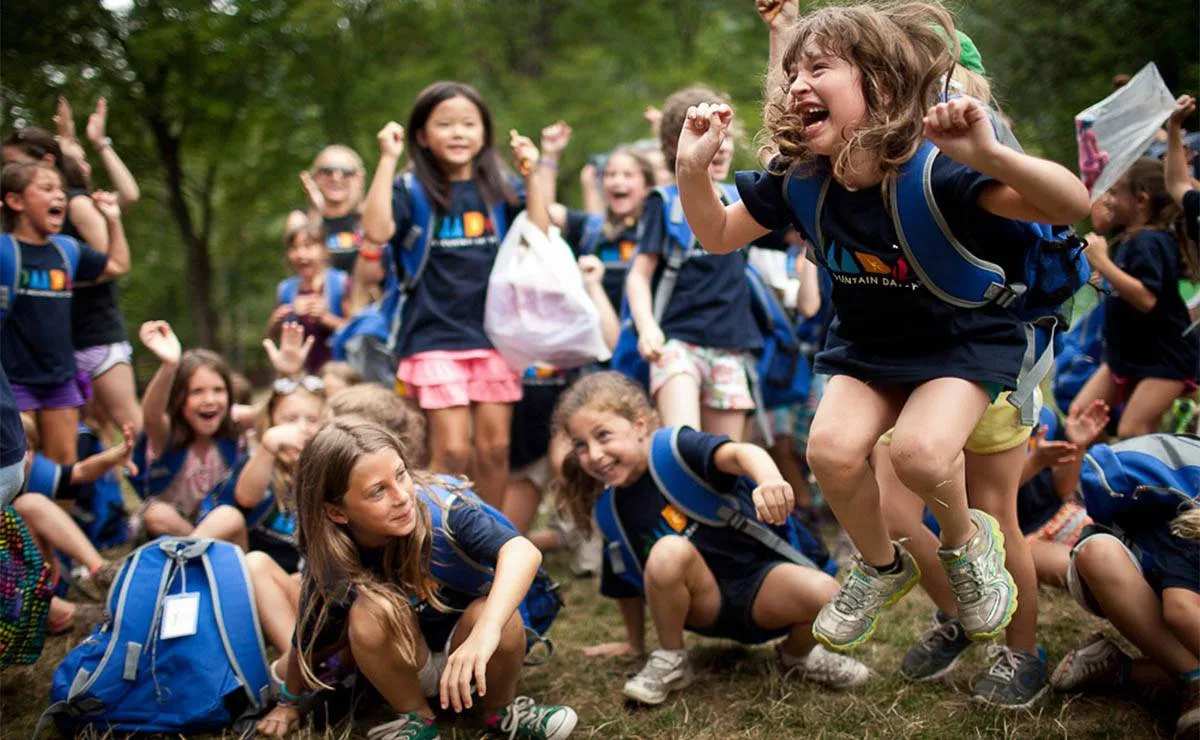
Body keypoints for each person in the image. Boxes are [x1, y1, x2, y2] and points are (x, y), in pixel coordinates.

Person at [674, 1, 1090, 652]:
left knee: (921, 454)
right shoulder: (801, 177)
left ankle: (966, 546)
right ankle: (879, 565)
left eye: (819, 68)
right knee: (829, 452)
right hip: (871, 346)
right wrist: (690, 171)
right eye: (792, 73)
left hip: (963, 340)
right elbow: (718, 233)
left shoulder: (936, 167)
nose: (796, 84)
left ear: (882, 85)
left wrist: (988, 153)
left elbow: (1072, 203)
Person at [553, 371, 870, 706]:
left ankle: (796, 656)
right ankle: (671, 658)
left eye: (603, 436)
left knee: (827, 594)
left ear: (640, 425)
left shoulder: (675, 449)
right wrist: (635, 645)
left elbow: (741, 453)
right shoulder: (610, 508)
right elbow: (623, 584)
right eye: (581, 446)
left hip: (761, 583)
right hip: (704, 606)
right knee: (668, 551)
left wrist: (769, 480)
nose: (595, 454)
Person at [255, 420, 577, 740]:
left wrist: (486, 631)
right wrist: (289, 703)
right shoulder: (332, 559)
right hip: (406, 665)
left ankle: (500, 710)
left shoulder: (441, 509)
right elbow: (309, 639)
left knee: (494, 612)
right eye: (378, 491)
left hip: (473, 653)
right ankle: (416, 720)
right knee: (370, 609)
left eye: (401, 474)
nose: (401, 496)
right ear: (337, 513)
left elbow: (523, 551)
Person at [360, 81, 549, 507]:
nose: (458, 133)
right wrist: (388, 160)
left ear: (484, 132)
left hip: (494, 336)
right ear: (422, 136)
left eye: (469, 123)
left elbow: (539, 236)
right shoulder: (410, 190)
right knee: (451, 451)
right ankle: (437, 544)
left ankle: (491, 544)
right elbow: (376, 231)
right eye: (444, 124)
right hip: (431, 336)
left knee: (495, 449)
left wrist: (532, 174)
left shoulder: (500, 188)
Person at [626, 85, 767, 441]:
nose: (720, 146)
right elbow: (639, 275)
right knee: (681, 445)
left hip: (730, 344)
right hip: (677, 342)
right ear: (676, 145)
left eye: (726, 135)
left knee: (724, 457)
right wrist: (647, 328)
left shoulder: (742, 199)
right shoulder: (665, 201)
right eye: (707, 134)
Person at [1, 161, 130, 466]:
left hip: (60, 380)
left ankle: (59, 516)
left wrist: (113, 220)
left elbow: (117, 266)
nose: (60, 196)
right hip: (13, 382)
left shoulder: (67, 250)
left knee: (65, 473)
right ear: (16, 201)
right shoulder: (4, 250)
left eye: (61, 189)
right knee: (18, 467)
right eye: (47, 189)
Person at [1071, 157, 1199, 440]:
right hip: (1130, 354)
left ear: (1141, 199)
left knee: (1134, 431)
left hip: (1165, 358)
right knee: (1080, 416)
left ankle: (1154, 480)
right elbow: (1132, 286)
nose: (1110, 200)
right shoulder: (1134, 238)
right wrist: (1108, 276)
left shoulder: (1151, 241)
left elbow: (1147, 299)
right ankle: (1089, 481)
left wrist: (1103, 263)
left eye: (1116, 192)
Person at [130, 320, 242, 537]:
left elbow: (267, 412)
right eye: (196, 392)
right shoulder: (166, 434)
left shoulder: (234, 423)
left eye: (218, 390)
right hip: (172, 534)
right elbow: (151, 415)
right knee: (157, 514)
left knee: (230, 517)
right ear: (178, 398)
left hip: (220, 527)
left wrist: (288, 376)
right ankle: (197, 548)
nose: (209, 400)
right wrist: (169, 366)